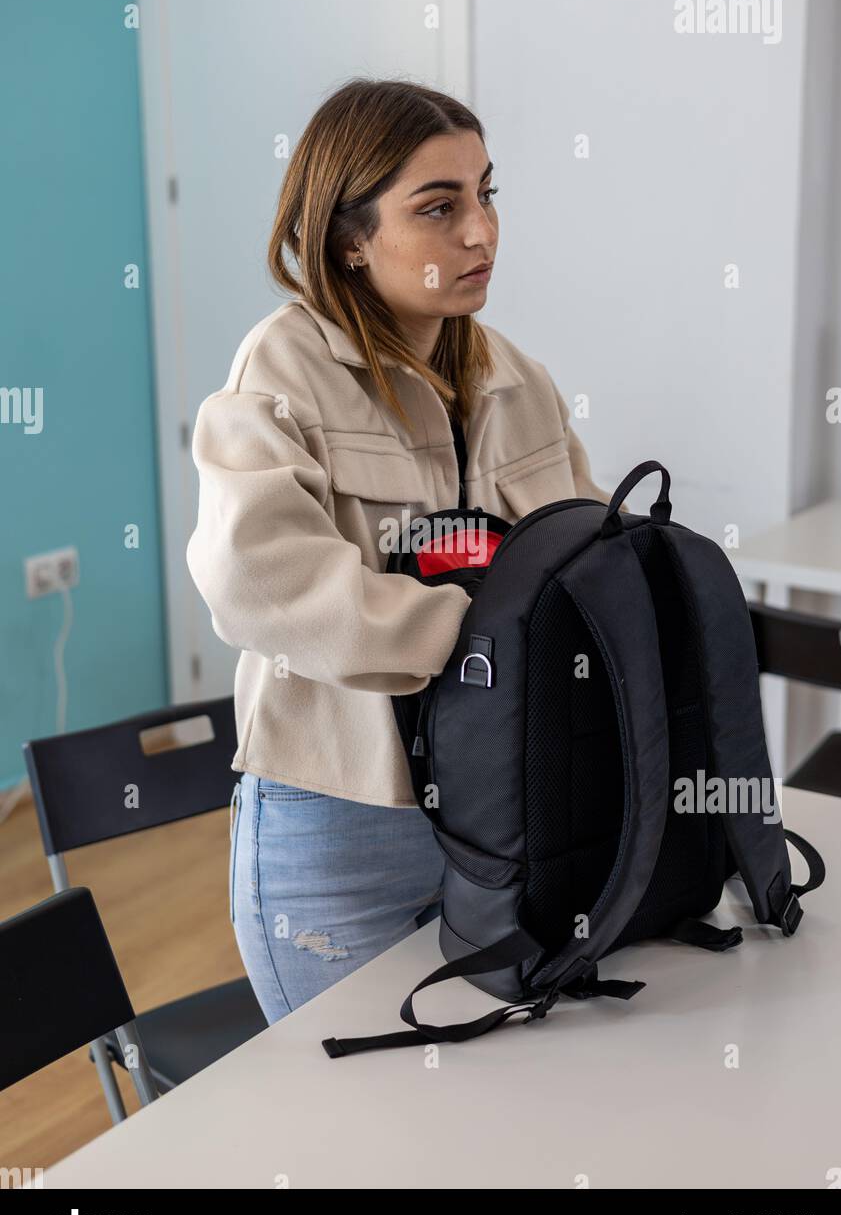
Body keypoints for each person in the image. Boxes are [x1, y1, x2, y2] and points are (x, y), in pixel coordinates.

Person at [186, 78, 613, 1025]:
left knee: (484, 1104)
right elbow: (263, 585)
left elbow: (585, 561)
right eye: (438, 207)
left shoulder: (515, 379)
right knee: (355, 1129)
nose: (481, 232)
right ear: (348, 236)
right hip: (341, 827)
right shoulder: (284, 369)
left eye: (486, 195)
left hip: (507, 812)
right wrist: (489, 639)